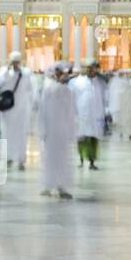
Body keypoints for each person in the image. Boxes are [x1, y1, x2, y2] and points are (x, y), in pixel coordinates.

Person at [39, 62, 77, 198]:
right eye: (59, 74)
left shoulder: (68, 92)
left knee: (63, 159)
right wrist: (42, 131)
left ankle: (62, 187)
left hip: (63, 131)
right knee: (49, 158)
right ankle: (48, 186)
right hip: (50, 131)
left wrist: (71, 132)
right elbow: (42, 113)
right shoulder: (48, 90)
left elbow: (71, 114)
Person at [69, 59, 107, 170]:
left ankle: (91, 161)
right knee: (82, 138)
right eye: (88, 67)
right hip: (81, 116)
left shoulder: (100, 82)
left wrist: (106, 112)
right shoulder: (75, 82)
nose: (90, 70)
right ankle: (81, 160)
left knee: (94, 139)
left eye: (93, 67)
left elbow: (104, 98)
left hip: (97, 116)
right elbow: (71, 99)